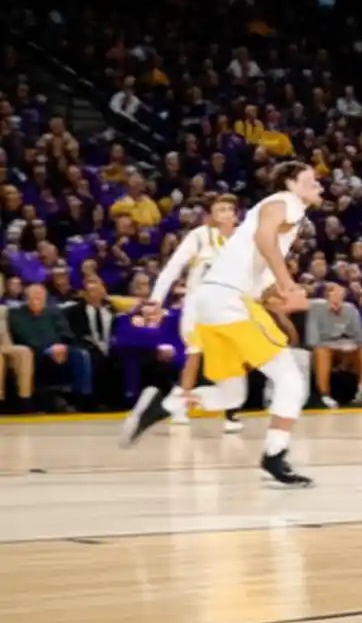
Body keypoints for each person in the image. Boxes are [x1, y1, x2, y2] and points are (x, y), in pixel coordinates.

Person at [119, 161, 320, 489]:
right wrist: (289, 286)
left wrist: (279, 295)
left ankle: (163, 405)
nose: (319, 187)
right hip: (228, 301)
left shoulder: (269, 220)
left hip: (210, 303)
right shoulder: (287, 203)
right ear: (290, 183)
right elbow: (264, 238)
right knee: (289, 379)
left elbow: (262, 277)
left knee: (230, 394)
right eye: (311, 181)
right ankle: (275, 454)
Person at [144, 193, 244, 433]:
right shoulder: (199, 237)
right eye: (219, 209)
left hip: (230, 305)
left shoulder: (243, 240)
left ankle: (231, 413)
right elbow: (172, 268)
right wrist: (156, 299)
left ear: (236, 214)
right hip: (198, 305)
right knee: (194, 355)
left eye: (229, 209)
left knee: (233, 360)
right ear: (211, 215)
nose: (224, 213)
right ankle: (181, 406)